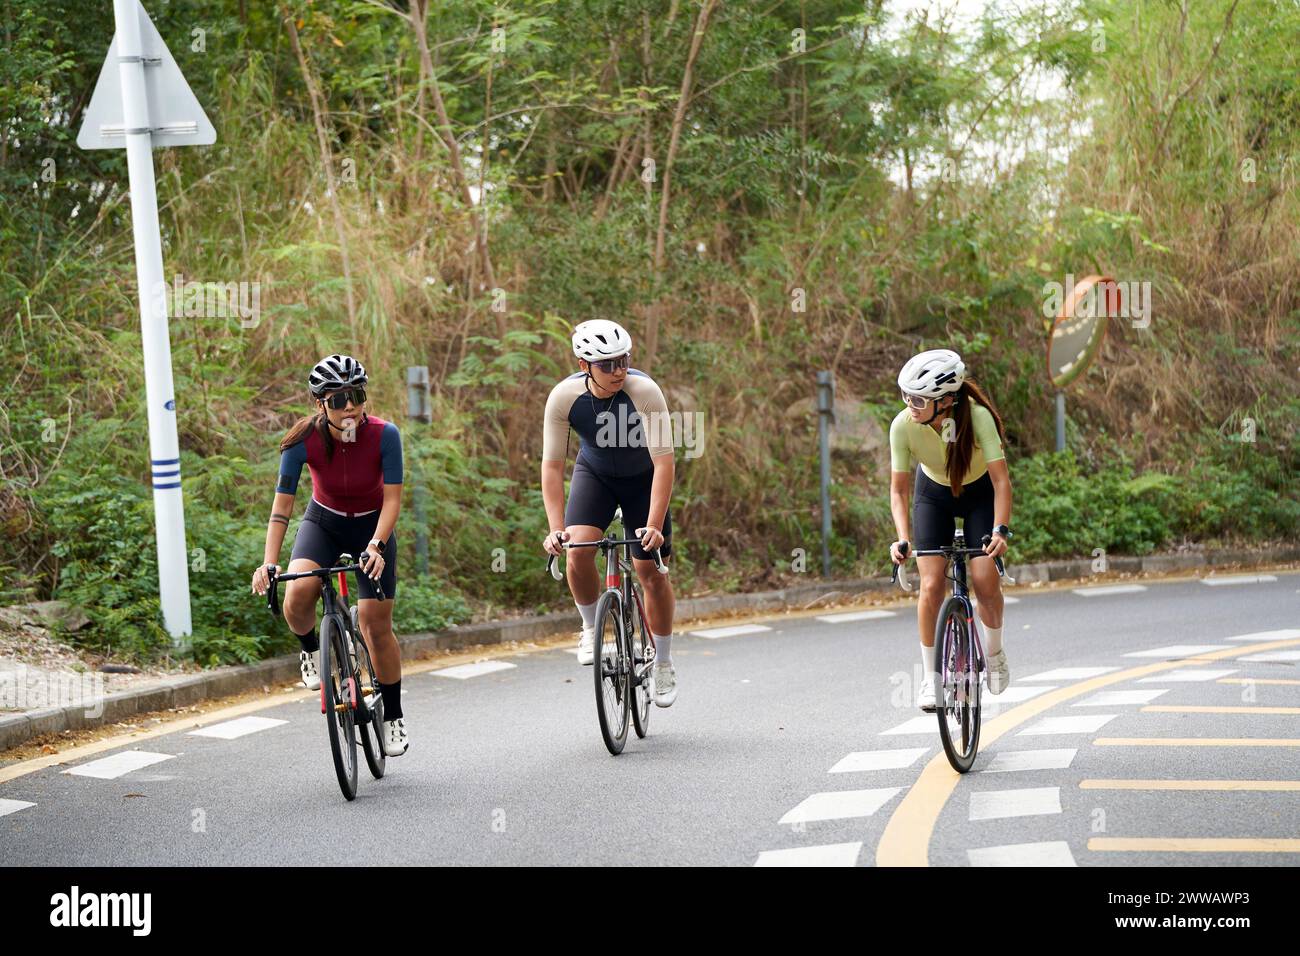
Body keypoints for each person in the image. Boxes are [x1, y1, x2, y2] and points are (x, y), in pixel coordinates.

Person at [250, 353, 409, 755]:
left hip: (373, 526)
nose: (350, 406)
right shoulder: (302, 441)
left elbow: (393, 500)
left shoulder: (384, 434)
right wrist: (270, 561)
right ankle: (311, 650)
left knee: (376, 625)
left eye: (356, 395)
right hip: (324, 522)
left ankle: (393, 716)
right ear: (321, 404)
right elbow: (282, 507)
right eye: (338, 400)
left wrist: (376, 544)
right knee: (296, 595)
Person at [540, 320, 679, 707]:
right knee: (577, 549)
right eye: (607, 365)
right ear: (584, 365)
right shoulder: (563, 397)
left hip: (643, 479)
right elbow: (552, 467)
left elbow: (665, 463)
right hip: (595, 475)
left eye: (623, 361)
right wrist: (555, 528)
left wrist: (653, 525)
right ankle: (589, 626)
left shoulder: (645, 391)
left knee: (651, 570)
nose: (618, 371)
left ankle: (663, 662)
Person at [887, 348, 1014, 712]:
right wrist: (902, 537)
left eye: (918, 398)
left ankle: (995, 652)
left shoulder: (978, 418)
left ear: (944, 401)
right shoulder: (903, 426)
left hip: (979, 495)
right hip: (934, 496)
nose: (909, 404)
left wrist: (1000, 530)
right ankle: (931, 679)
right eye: (906, 396)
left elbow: (1001, 482)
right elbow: (898, 490)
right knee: (930, 584)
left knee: (984, 579)